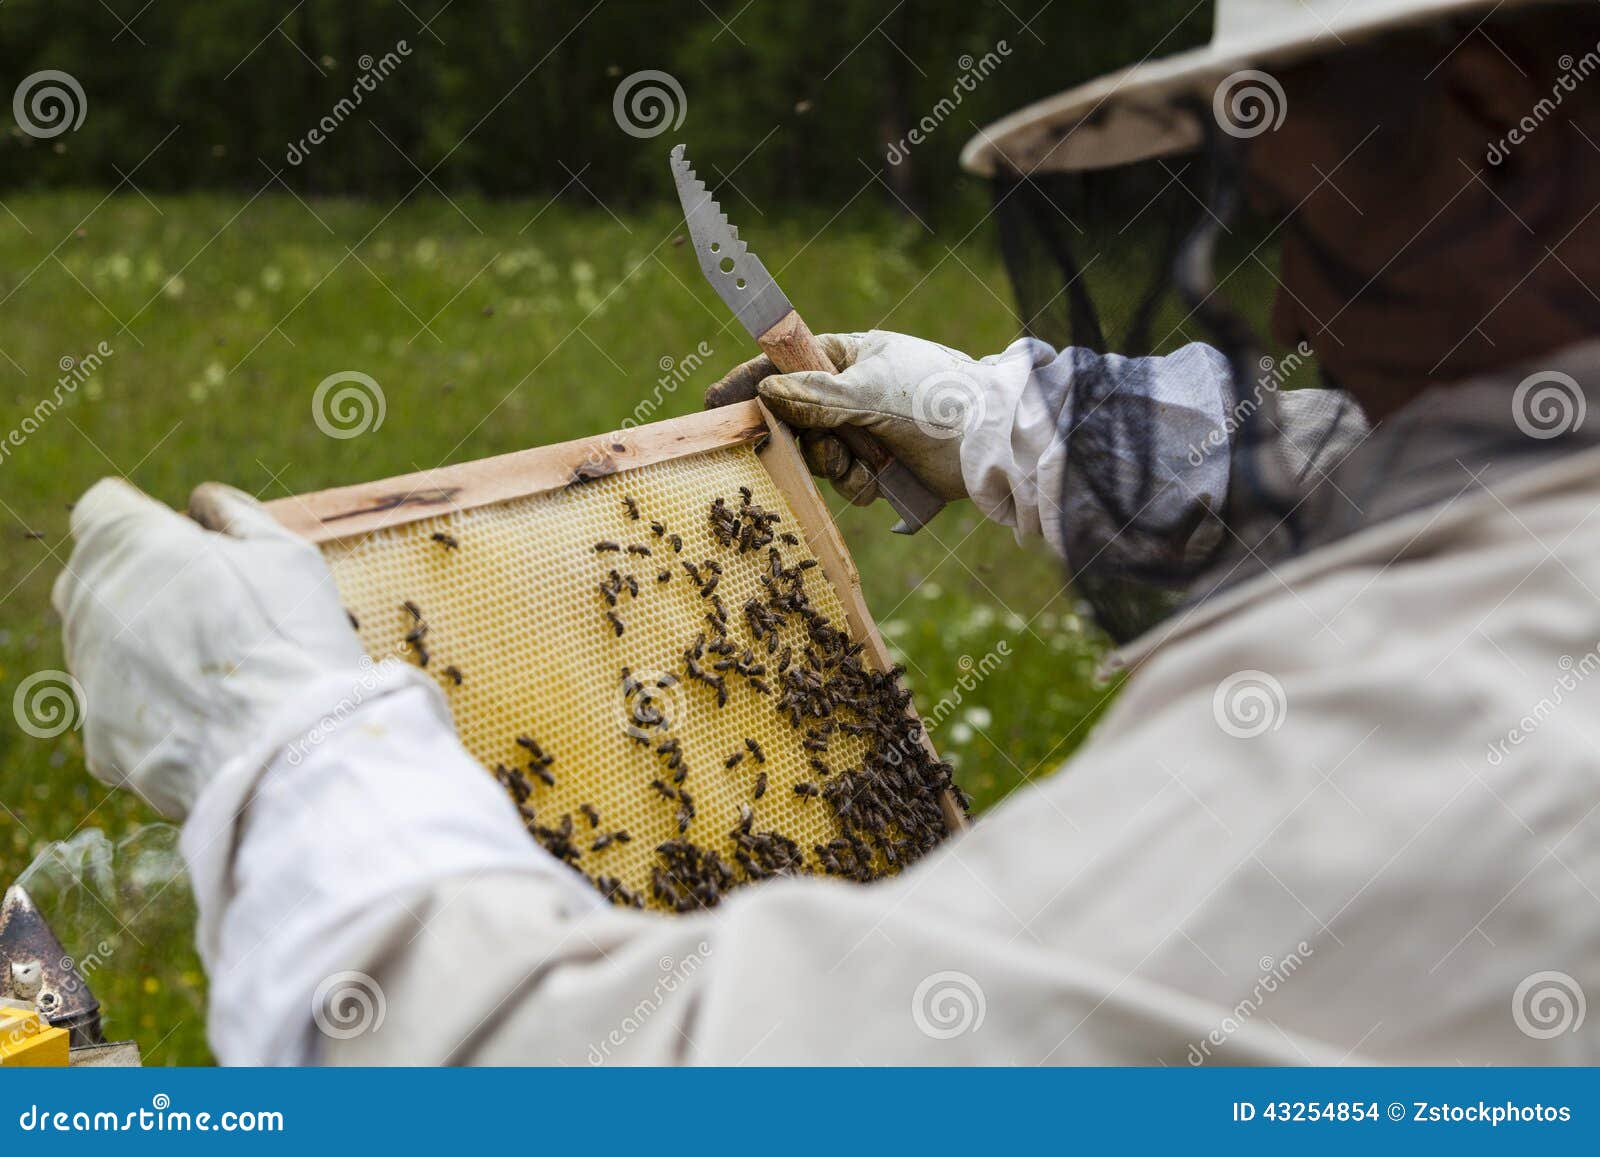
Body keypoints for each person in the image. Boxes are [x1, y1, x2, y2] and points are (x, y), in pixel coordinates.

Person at [52, 0, 1600, 1063]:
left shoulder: (1451, 745)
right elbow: (1435, 481)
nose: (1292, 302)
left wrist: (275, 738)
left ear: (1497, 129)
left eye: (1304, 190)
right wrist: (1003, 417)